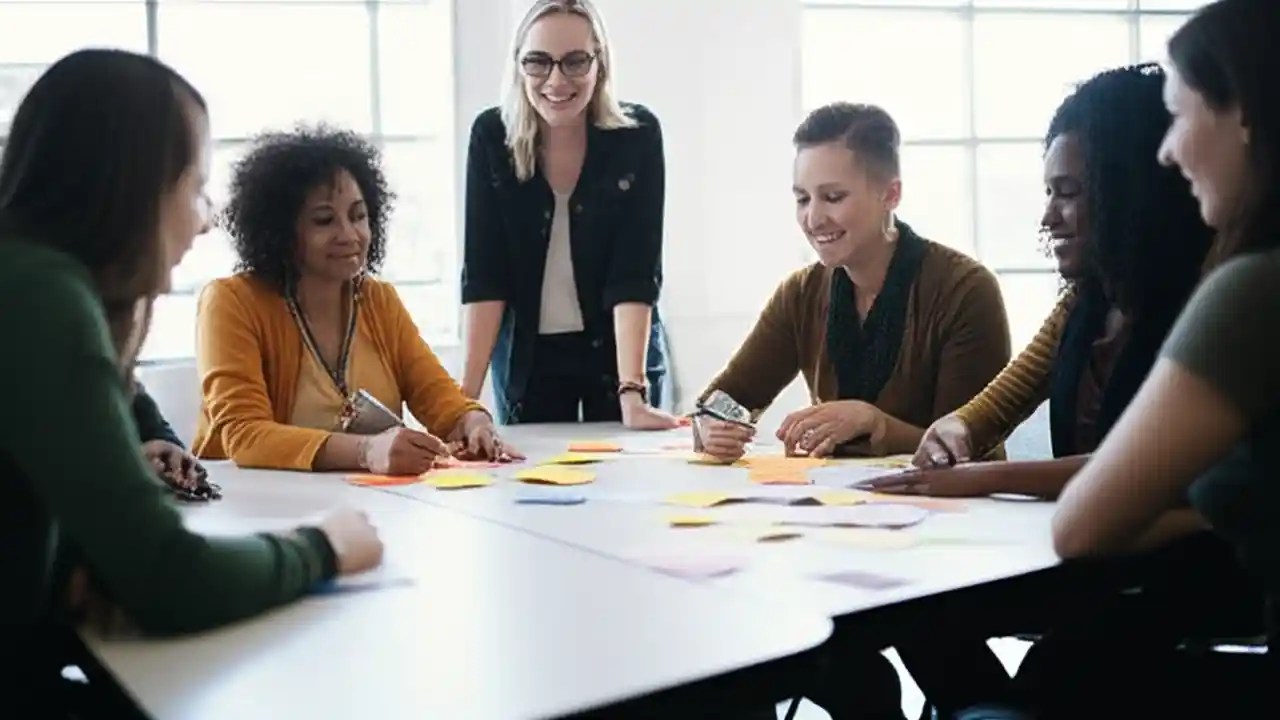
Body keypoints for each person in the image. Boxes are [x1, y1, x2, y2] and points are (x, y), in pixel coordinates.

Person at [0, 49, 381, 709]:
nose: (204, 219)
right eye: (196, 186)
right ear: (136, 187)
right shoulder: (44, 298)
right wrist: (324, 546)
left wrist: (72, 571)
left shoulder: (28, 279)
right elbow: (172, 579)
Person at [1056, 1, 1280, 711]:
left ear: (1242, 112)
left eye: (1180, 115)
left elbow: (1082, 527)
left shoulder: (1253, 291)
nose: (1167, 149)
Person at [878, 64, 1214, 500]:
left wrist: (986, 478)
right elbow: (994, 407)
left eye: (1069, 192)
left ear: (1131, 194)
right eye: (1049, 192)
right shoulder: (1084, 306)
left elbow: (1146, 462)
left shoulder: (1204, 309)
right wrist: (956, 428)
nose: (1048, 217)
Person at [693, 102, 1011, 462]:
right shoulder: (800, 294)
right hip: (838, 505)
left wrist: (875, 423)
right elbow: (723, 399)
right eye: (802, 199)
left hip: (955, 512)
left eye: (833, 198)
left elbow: (973, 443)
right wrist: (710, 424)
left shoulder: (965, 290)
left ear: (891, 194)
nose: (813, 219)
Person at [193, 126, 516, 474]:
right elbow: (243, 435)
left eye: (359, 216)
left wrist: (473, 423)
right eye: (324, 220)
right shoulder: (231, 301)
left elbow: (441, 399)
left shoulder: (378, 300)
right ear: (280, 232)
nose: (349, 234)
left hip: (371, 504)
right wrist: (365, 452)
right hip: (253, 508)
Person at [460, 0, 680, 429]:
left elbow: (634, 272)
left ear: (600, 63)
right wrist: (459, 404)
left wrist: (632, 392)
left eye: (576, 61)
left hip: (621, 357)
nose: (557, 80)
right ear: (519, 66)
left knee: (629, 484)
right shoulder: (492, 138)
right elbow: (487, 275)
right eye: (538, 62)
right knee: (531, 485)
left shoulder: (636, 136)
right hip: (530, 360)